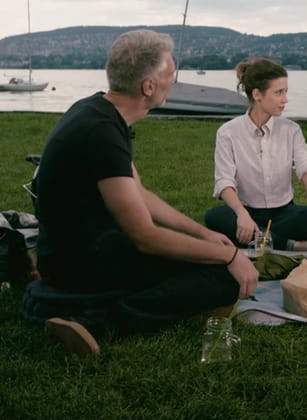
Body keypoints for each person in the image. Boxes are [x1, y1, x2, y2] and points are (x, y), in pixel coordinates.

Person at [34, 29, 258, 356]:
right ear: (148, 86)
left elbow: (140, 193)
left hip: (74, 250)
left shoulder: (99, 112)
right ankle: (96, 321)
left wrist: (203, 234)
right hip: (80, 263)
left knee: (205, 264)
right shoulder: (101, 132)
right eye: (171, 74)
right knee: (223, 278)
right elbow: (145, 237)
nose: (175, 80)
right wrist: (231, 255)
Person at [205, 57, 307, 251]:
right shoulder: (228, 132)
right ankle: (290, 245)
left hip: (284, 213)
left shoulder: (291, 130)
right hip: (247, 212)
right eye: (278, 93)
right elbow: (224, 181)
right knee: (215, 217)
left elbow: (306, 167)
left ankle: (262, 241)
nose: (285, 99)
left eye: (285, 92)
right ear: (257, 94)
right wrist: (241, 213)